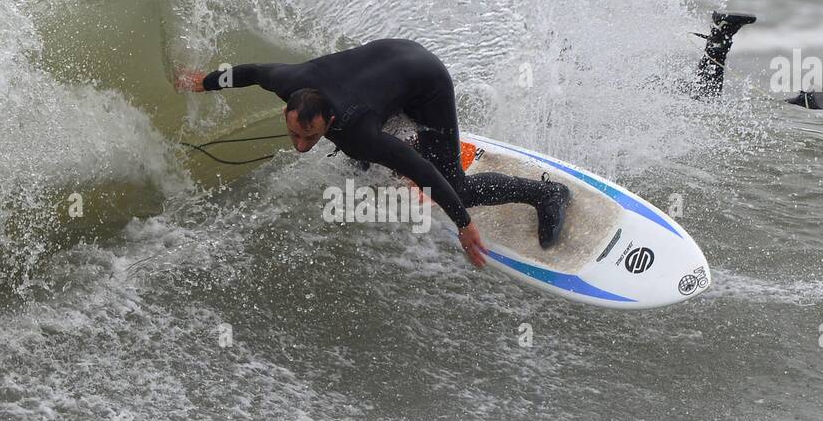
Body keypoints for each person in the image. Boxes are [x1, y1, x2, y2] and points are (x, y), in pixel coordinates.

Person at [176, 38, 570, 268]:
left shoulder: (359, 131)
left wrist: (465, 225)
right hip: (392, 58)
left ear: (328, 121)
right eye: (295, 133)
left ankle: (546, 194)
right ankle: (405, 135)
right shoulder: (287, 82)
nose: (299, 146)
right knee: (363, 164)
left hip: (426, 81)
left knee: (452, 185)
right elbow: (249, 71)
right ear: (287, 109)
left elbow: (422, 172)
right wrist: (203, 83)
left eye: (309, 138)